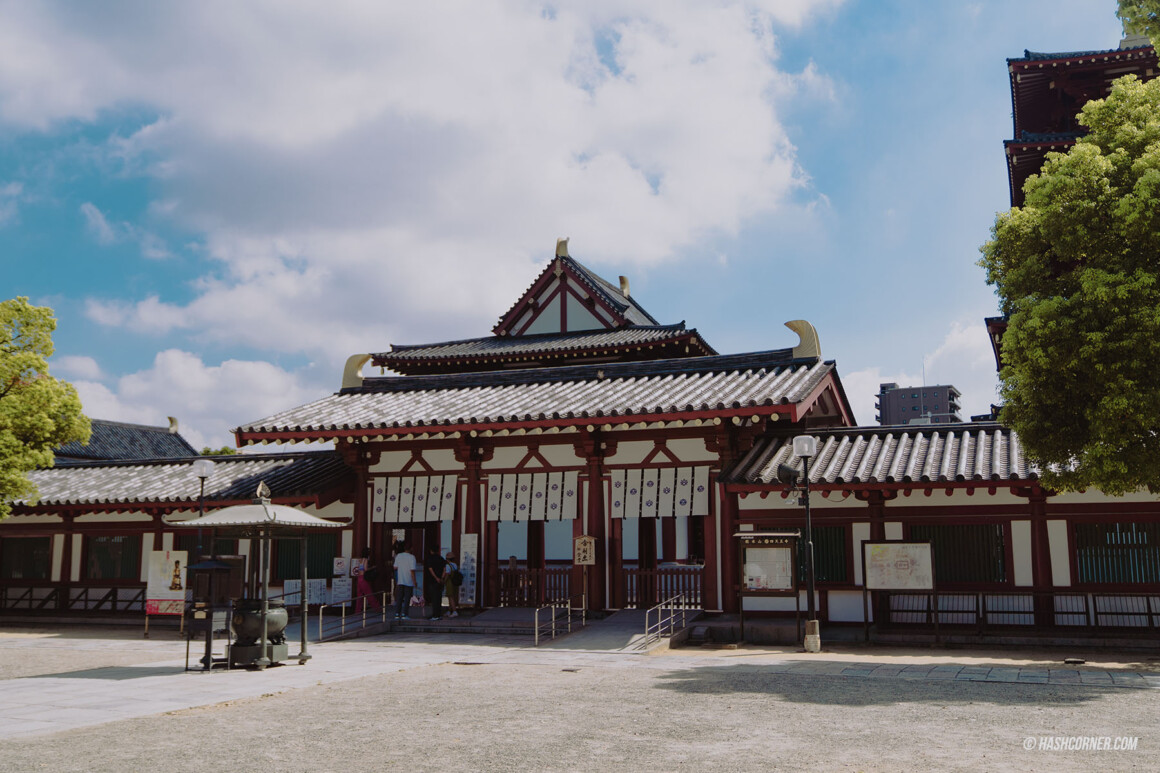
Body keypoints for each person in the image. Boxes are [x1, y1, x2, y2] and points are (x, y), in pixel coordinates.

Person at [392, 543, 417, 620]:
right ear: (411, 548)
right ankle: (404, 614)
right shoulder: (412, 557)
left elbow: (395, 567)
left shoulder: (399, 556)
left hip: (400, 580)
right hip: (408, 581)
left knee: (399, 598)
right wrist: (414, 582)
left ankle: (397, 613)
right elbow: (412, 571)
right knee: (407, 598)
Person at [423, 546, 447, 620]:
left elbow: (430, 569)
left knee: (434, 598)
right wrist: (441, 578)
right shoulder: (441, 558)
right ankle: (438, 614)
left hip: (432, 581)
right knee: (439, 598)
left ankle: (435, 615)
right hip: (440, 581)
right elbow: (444, 569)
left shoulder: (430, 559)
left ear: (431, 551)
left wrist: (436, 578)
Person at [443, 552, 462, 618]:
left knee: (450, 597)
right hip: (455, 582)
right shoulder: (455, 565)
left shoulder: (448, 566)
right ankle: (449, 610)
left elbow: (447, 574)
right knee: (452, 596)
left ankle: (454, 611)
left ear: (447, 559)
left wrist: (444, 581)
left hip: (450, 582)